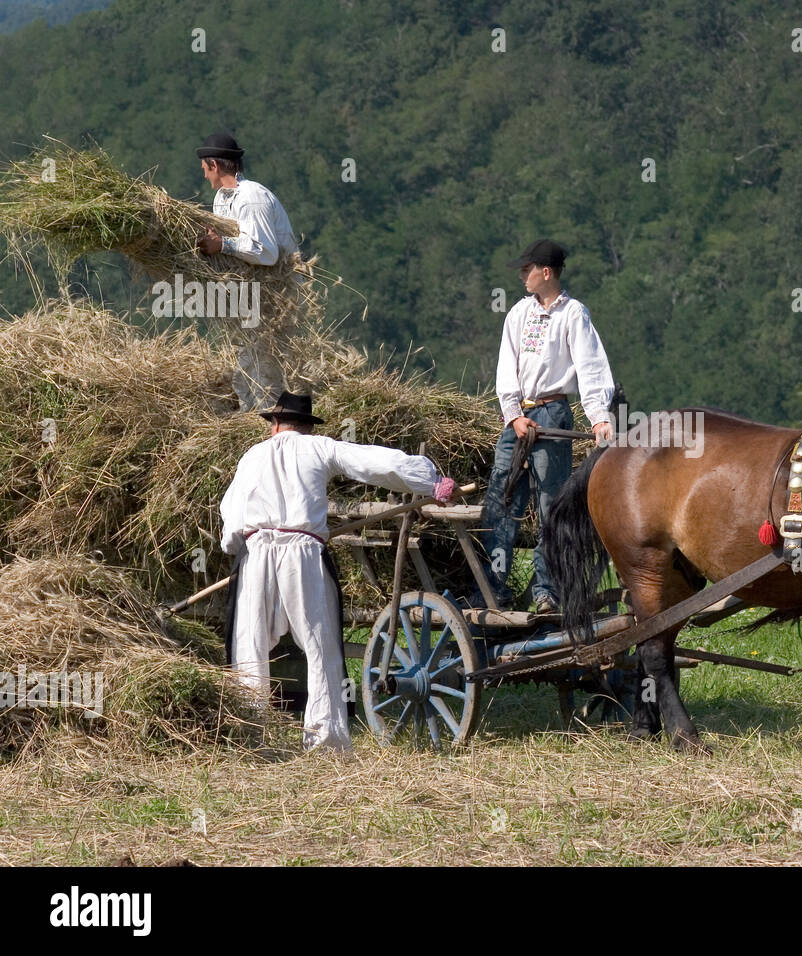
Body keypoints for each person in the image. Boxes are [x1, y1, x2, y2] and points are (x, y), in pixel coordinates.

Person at [220, 390, 456, 752]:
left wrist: (235, 545)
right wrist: (428, 482)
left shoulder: (251, 456)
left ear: (275, 425)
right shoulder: (319, 447)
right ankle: (325, 738)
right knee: (321, 646)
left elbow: (231, 509)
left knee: (249, 646)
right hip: (301, 553)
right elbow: (372, 462)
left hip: (256, 553)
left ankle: (250, 735)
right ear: (306, 425)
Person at [480, 239, 615, 613]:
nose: (522, 275)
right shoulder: (518, 314)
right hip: (517, 417)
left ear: (546, 272)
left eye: (527, 269)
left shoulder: (574, 314)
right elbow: (506, 368)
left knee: (551, 504)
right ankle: (494, 588)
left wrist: (599, 417)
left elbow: (590, 367)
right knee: (501, 500)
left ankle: (547, 591)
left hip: (553, 413)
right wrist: (512, 414)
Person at [194, 131, 300, 411]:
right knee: (244, 366)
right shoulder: (222, 199)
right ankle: (251, 420)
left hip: (273, 293)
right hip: (249, 292)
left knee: (265, 366)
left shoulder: (251, 198)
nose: (204, 175)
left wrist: (223, 245)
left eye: (205, 169)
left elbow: (266, 253)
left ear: (215, 166)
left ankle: (268, 423)